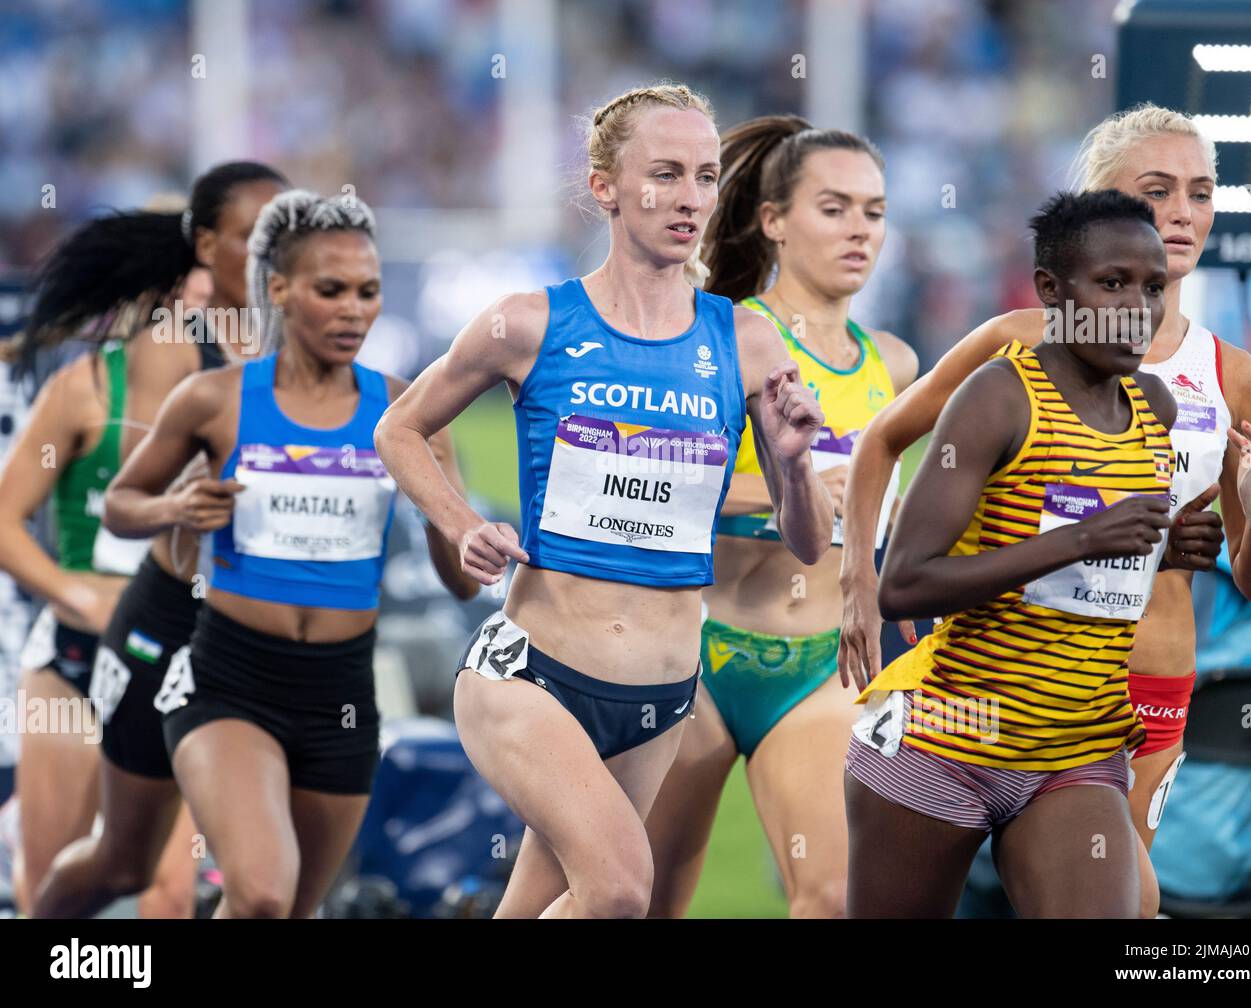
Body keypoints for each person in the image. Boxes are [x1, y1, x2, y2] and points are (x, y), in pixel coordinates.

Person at [374, 83, 834, 919]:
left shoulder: (744, 339)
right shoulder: (528, 324)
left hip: (660, 697)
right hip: (531, 678)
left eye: (705, 175)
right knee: (623, 890)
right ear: (605, 187)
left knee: (554, 905)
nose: (691, 198)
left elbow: (809, 542)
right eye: (665, 174)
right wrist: (462, 523)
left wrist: (796, 466)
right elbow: (398, 431)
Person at [837, 104, 1251, 915]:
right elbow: (882, 442)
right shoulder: (1014, 348)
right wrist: (855, 585)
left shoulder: (1222, 379)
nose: (1181, 212)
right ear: (1102, 206)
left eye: (1201, 192)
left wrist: (1223, 519)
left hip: (1138, 685)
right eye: (1157, 191)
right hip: (983, 685)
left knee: (1128, 903)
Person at [101, 189, 474, 918]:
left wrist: (442, 510)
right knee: (263, 895)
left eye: (368, 292)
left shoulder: (410, 413)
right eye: (329, 290)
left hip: (339, 694)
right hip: (228, 682)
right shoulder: (215, 400)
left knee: (294, 912)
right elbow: (121, 505)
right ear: (279, 290)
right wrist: (176, 508)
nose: (353, 310)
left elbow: (459, 584)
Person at [643, 115, 917, 918]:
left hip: (818, 670)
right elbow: (645, 481)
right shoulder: (713, 339)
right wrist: (787, 487)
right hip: (698, 656)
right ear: (773, 221)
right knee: (640, 899)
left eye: (874, 210)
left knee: (830, 899)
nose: (859, 230)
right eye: (833, 208)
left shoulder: (893, 362)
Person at [31, 163, 291, 919]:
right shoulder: (157, 359)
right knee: (94, 872)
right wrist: (83, 580)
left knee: (196, 889)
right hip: (117, 637)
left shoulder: (289, 354)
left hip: (233, 646)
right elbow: (127, 501)